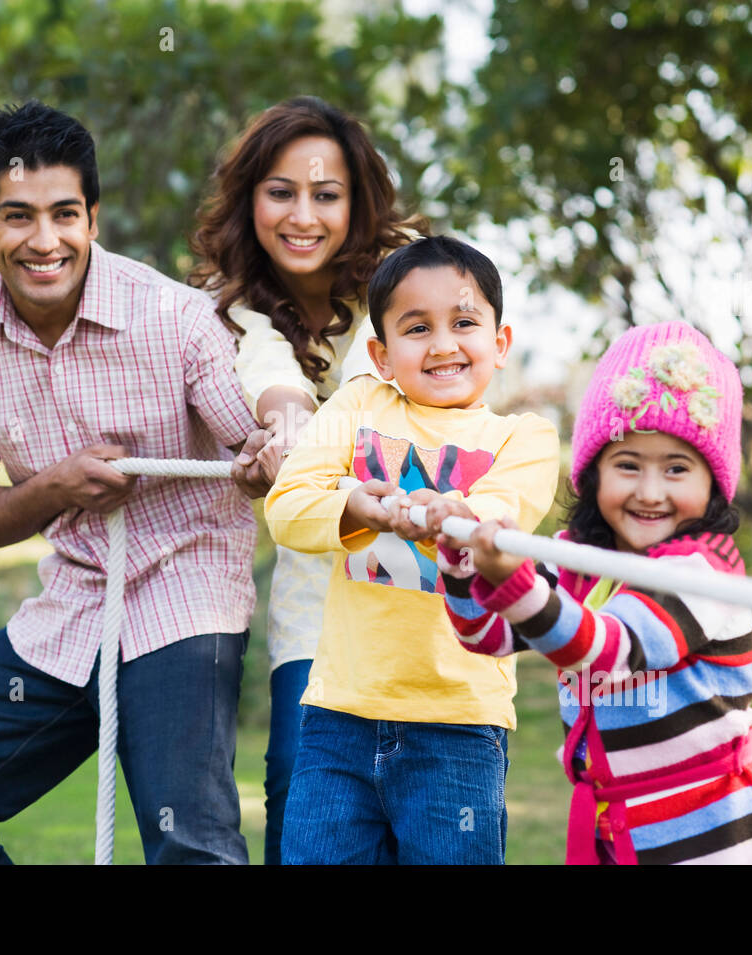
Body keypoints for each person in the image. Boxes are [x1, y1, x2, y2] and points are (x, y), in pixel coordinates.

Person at [0, 100, 268, 865]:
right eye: (18, 216)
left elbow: (254, 447)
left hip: (184, 594)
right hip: (72, 606)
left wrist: (266, 456)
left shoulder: (175, 319)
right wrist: (55, 487)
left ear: (92, 217)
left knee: (188, 842)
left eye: (65, 213)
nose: (45, 240)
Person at [437, 320, 752, 865]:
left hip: (713, 839)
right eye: (628, 465)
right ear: (595, 472)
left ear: (713, 481)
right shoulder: (583, 560)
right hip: (616, 833)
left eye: (677, 468)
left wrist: (514, 579)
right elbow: (485, 633)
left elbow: (604, 650)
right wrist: (463, 560)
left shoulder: (702, 572)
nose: (650, 493)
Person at [264, 236, 560, 864]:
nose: (444, 344)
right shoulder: (359, 404)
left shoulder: (523, 437)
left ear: (499, 343)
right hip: (338, 715)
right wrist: (359, 507)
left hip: (458, 722)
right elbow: (288, 504)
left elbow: (504, 511)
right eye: (417, 327)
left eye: (464, 323)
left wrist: (451, 515)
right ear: (381, 353)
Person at [188, 96, 424, 864]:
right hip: (315, 600)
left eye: (327, 194)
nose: (303, 214)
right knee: (299, 795)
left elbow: (377, 387)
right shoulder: (225, 311)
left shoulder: (415, 281)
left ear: (357, 204)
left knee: (421, 808)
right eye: (281, 191)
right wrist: (285, 422)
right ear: (250, 197)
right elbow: (268, 371)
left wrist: (305, 440)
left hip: (418, 593)